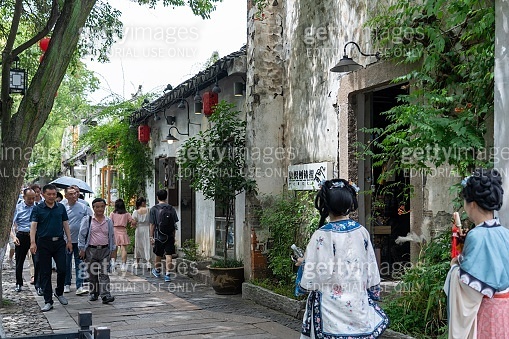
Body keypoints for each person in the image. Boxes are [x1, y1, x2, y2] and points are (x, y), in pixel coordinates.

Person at [298, 179, 388, 338]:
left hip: (330, 308)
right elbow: (371, 267)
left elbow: (314, 276)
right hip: (357, 305)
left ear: (325, 206)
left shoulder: (322, 235)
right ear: (350, 204)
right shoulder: (362, 231)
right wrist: (373, 291)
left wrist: (303, 264)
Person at [444, 169, 509, 338]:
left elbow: (468, 286)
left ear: (472, 204)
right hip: (505, 310)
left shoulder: (476, 235)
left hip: (486, 310)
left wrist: (455, 266)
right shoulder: (505, 232)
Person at [30, 184, 73, 312]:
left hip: (59, 242)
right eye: (49, 194)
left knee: (62, 268)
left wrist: (69, 240)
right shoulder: (38, 209)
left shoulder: (61, 207)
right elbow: (33, 226)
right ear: (43, 194)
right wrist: (33, 242)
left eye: (54, 194)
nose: (51, 196)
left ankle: (59, 292)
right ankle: (48, 301)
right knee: (45, 272)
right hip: (43, 243)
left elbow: (65, 224)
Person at [78, 198, 115, 304]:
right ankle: (94, 293)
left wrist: (113, 249)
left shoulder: (108, 221)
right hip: (91, 250)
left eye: (102, 206)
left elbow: (111, 236)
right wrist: (82, 249)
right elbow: (82, 235)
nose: (100, 209)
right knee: (92, 273)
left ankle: (105, 295)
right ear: (93, 208)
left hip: (104, 250)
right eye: (97, 207)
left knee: (104, 273)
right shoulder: (88, 220)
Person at [62, 187, 91, 295]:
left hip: (80, 241)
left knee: (80, 263)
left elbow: (89, 222)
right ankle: (66, 284)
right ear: (66, 196)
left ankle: (80, 286)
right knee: (66, 263)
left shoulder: (83, 207)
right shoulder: (62, 207)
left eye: (75, 193)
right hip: (66, 240)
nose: (74, 196)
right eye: (71, 194)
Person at [149, 190, 178, 282]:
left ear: (157, 197)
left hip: (158, 235)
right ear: (166, 197)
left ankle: (157, 270)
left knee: (158, 254)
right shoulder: (171, 208)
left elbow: (152, 224)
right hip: (169, 235)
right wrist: (174, 236)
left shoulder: (154, 209)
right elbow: (174, 224)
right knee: (169, 254)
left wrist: (151, 236)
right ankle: (168, 274)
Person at [11, 188, 37, 292]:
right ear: (24, 197)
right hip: (21, 236)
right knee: (19, 261)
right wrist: (13, 237)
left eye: (33, 198)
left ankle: (38, 283)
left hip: (34, 236)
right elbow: (10, 224)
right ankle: (18, 283)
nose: (31, 201)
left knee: (37, 261)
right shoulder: (18, 208)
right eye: (29, 198)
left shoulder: (37, 207)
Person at [109, 199, 133, 272]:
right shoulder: (126, 214)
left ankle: (113, 264)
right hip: (123, 231)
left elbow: (109, 223)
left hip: (114, 230)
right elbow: (132, 221)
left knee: (114, 249)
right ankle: (123, 265)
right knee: (124, 249)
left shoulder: (112, 214)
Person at [132, 197, 152, 269]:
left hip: (139, 229)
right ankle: (148, 262)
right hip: (147, 229)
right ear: (143, 203)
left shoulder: (135, 212)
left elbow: (133, 224)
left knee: (138, 245)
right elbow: (151, 222)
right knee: (147, 245)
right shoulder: (149, 210)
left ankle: (137, 263)